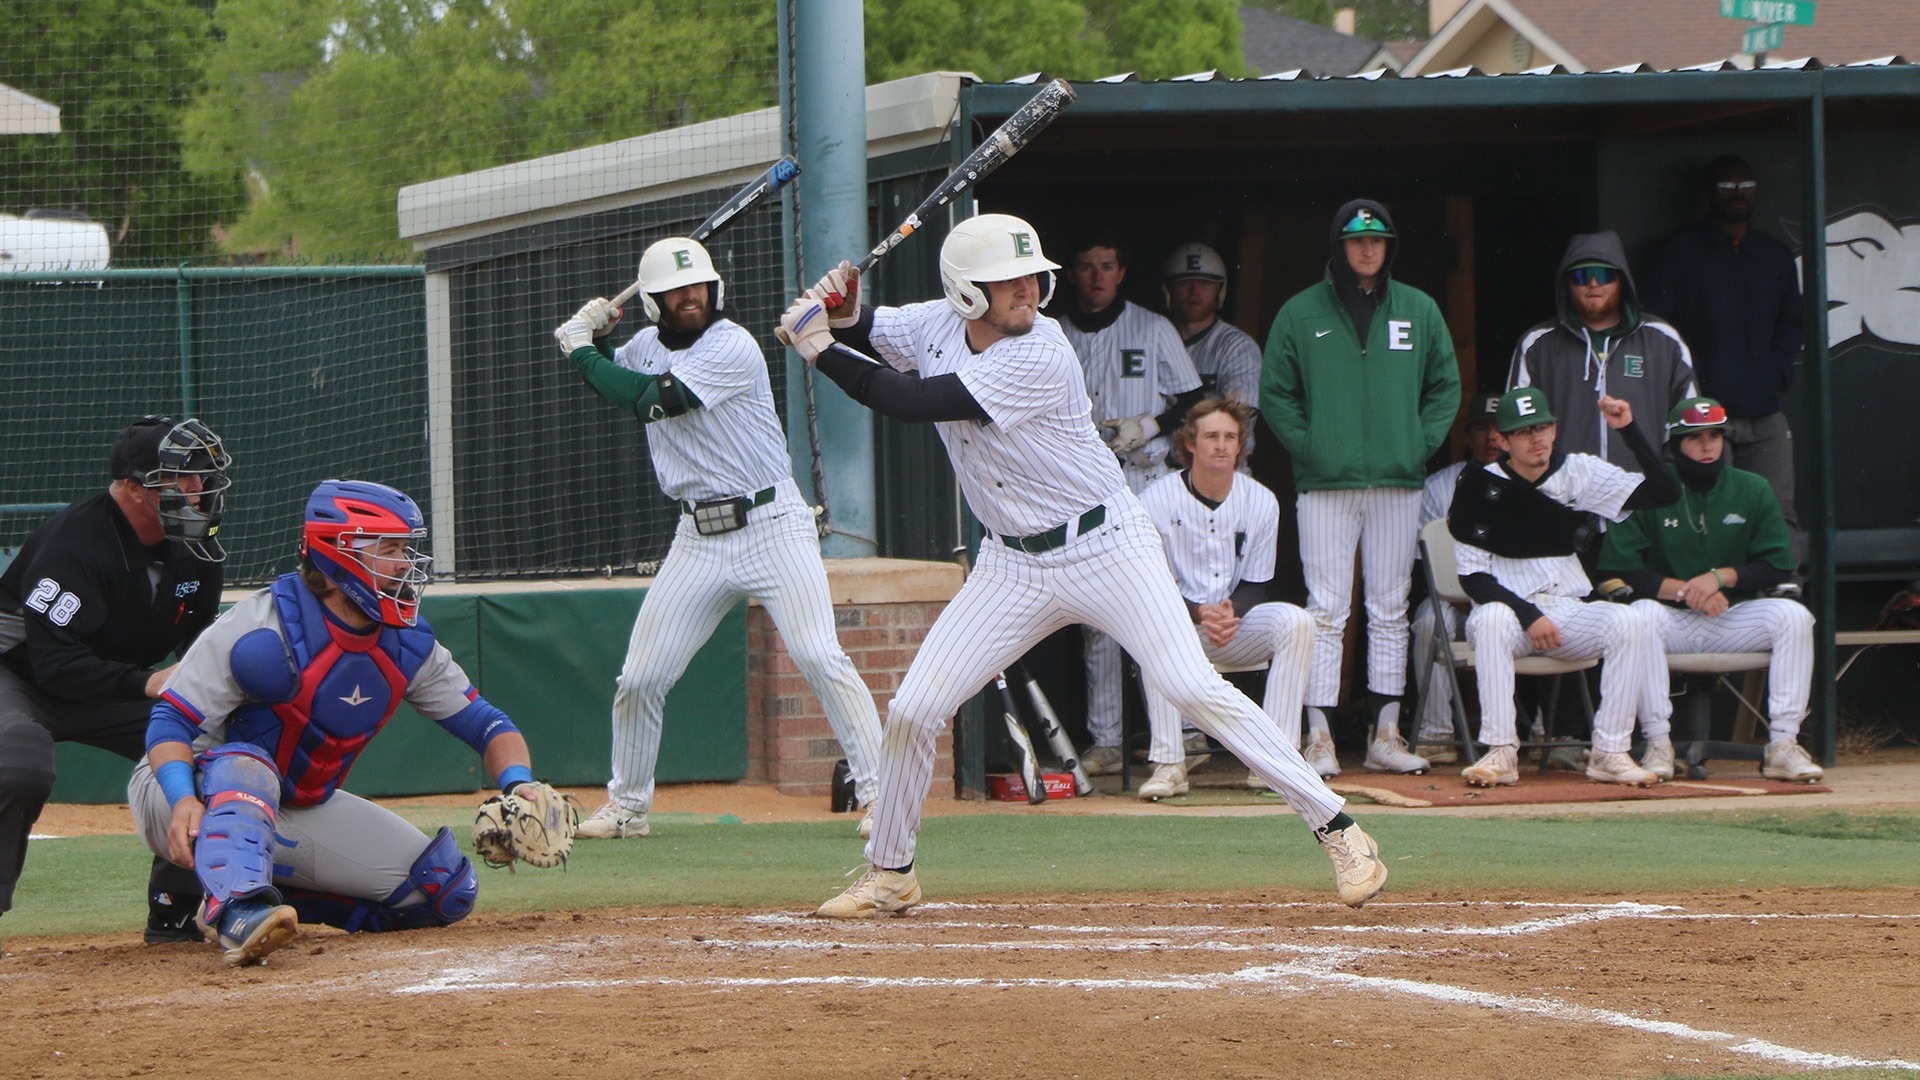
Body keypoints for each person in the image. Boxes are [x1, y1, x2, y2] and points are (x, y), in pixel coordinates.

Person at [778, 212, 1388, 916]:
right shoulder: (932, 323)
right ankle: (891, 871)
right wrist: (845, 312)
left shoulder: (1042, 351)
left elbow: (913, 399)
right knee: (914, 710)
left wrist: (819, 346)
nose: (1029, 291)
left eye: (1032, 277)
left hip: (1106, 545)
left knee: (1188, 684)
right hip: (1011, 563)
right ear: (965, 293)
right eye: (1007, 283)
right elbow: (876, 330)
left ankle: (1338, 828)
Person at [129, 480, 554, 966]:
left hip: (291, 801)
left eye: (405, 550)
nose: (404, 565)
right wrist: (182, 798)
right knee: (246, 765)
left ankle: (242, 898)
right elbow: (169, 720)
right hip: (182, 790)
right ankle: (238, 908)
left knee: (442, 889)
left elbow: (486, 724)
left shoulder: (407, 642)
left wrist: (518, 783)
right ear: (339, 557)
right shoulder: (263, 625)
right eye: (390, 550)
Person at [551, 237, 883, 840]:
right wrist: (596, 336)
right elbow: (616, 379)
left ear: (715, 287)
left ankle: (884, 797)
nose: (691, 297)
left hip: (772, 524)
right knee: (641, 678)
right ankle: (628, 807)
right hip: (698, 535)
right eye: (676, 290)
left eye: (699, 285)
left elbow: (652, 401)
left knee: (817, 655)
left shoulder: (733, 345)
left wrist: (580, 351)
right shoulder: (646, 344)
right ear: (653, 300)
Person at [0, 417, 229, 954]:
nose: (198, 492)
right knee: (18, 761)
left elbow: (196, 643)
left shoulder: (194, 545)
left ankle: (177, 909)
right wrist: (151, 683)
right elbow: (55, 665)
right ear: (133, 488)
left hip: (115, 688)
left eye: (202, 478)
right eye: (181, 479)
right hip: (20, 677)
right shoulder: (75, 541)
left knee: (215, 744)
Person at [1261, 199, 1461, 776]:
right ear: (1339, 247)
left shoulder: (1418, 310)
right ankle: (1319, 736)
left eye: (1376, 240)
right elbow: (1276, 392)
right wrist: (1311, 445)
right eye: (1355, 241)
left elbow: (1445, 386)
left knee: (1390, 608)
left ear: (1389, 247)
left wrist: (1415, 444)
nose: (1367, 249)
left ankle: (1387, 734)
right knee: (1325, 609)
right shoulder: (1302, 313)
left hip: (1398, 481)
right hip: (1326, 483)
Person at [1447, 388, 1680, 788]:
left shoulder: (1580, 471)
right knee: (1490, 620)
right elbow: (1474, 578)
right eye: (1523, 432)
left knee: (1631, 622)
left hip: (1566, 609)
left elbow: (1665, 492)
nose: (1535, 438)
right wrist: (1528, 615)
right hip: (1508, 615)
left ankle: (1610, 752)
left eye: (1541, 427)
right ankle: (1501, 751)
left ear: (1555, 429)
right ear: (1502, 441)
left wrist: (1629, 429)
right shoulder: (1478, 486)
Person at [1597, 397, 1822, 783]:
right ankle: (1659, 744)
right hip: (1671, 620)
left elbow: (1775, 565)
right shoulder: (1646, 492)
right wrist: (1687, 590)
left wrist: (1719, 578)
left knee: (1794, 617)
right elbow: (1623, 568)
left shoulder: (1752, 488)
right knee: (1640, 616)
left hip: (1729, 615)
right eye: (1695, 438)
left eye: (1714, 436)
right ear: (1675, 445)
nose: (1707, 446)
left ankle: (1783, 745)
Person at [1056, 234, 1205, 776]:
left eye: (1108, 266)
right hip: (1086, 486)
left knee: (1162, 606)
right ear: (1071, 274)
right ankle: (1108, 740)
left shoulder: (1152, 326)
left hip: (1145, 479)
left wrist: (1148, 425)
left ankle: (1188, 732)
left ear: (1122, 273)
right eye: (1088, 267)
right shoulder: (1056, 334)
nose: (1097, 276)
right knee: (1099, 618)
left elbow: (1191, 397)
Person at [1136, 398, 1312, 799]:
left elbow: (1257, 582)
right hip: (1178, 626)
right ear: (1191, 444)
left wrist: (1230, 611)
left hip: (1233, 624)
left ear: (1240, 445)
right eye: (1211, 436)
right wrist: (1199, 612)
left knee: (1297, 622)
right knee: (1150, 624)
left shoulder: (1261, 500)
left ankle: (1275, 762)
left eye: (1230, 437)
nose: (1221, 445)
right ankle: (1169, 763)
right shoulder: (1154, 499)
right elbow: (1148, 584)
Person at [1642, 155, 1805, 552]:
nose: (1738, 195)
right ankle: (1718, 599)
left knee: (1777, 510)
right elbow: (1656, 330)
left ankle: (1782, 595)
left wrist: (1777, 372)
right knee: (1710, 511)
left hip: (1764, 410)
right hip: (1705, 413)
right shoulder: (1680, 253)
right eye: (1727, 187)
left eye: (1745, 186)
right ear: (1707, 193)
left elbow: (1792, 324)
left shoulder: (1774, 254)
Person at [1508, 231, 1697, 475]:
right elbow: (1516, 425)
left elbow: (1690, 422)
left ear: (1622, 281)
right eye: (1582, 276)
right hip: (1563, 497)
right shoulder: (1538, 344)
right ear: (1567, 283)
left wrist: (1667, 482)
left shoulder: (1663, 339)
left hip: (1643, 497)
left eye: (1604, 275)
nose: (1593, 283)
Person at [1408, 393, 1505, 764]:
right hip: (1454, 599)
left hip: (1512, 602)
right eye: (1482, 429)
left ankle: (1545, 730)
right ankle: (1436, 733)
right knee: (1430, 621)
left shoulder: (1529, 480)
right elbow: (1424, 566)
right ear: (1468, 436)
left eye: (1499, 429)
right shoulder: (1439, 485)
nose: (1492, 438)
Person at [1162, 241, 1263, 455]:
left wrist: (1177, 410)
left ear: (1220, 291)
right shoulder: (1152, 340)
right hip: (1162, 471)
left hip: (1222, 470)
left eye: (1205, 284)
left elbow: (1237, 416)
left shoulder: (1237, 346)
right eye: (1184, 283)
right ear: (1168, 291)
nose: (1194, 292)